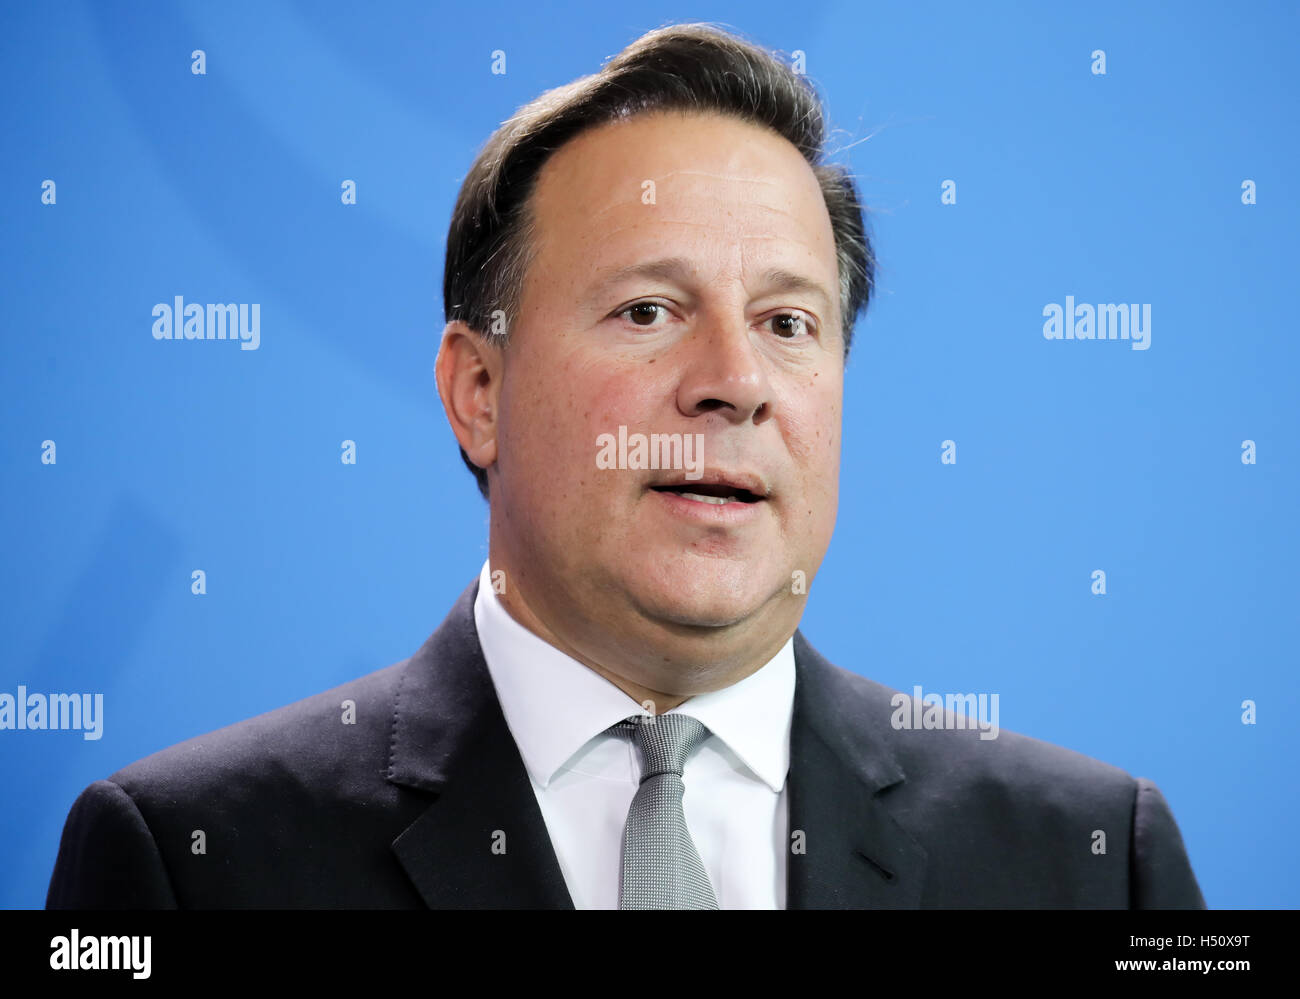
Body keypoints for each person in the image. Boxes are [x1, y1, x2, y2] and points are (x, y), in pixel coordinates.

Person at [46, 22, 1204, 910]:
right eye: (650, 309)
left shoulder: (1093, 857)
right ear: (479, 392)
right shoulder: (188, 860)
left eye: (789, 324)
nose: (734, 380)